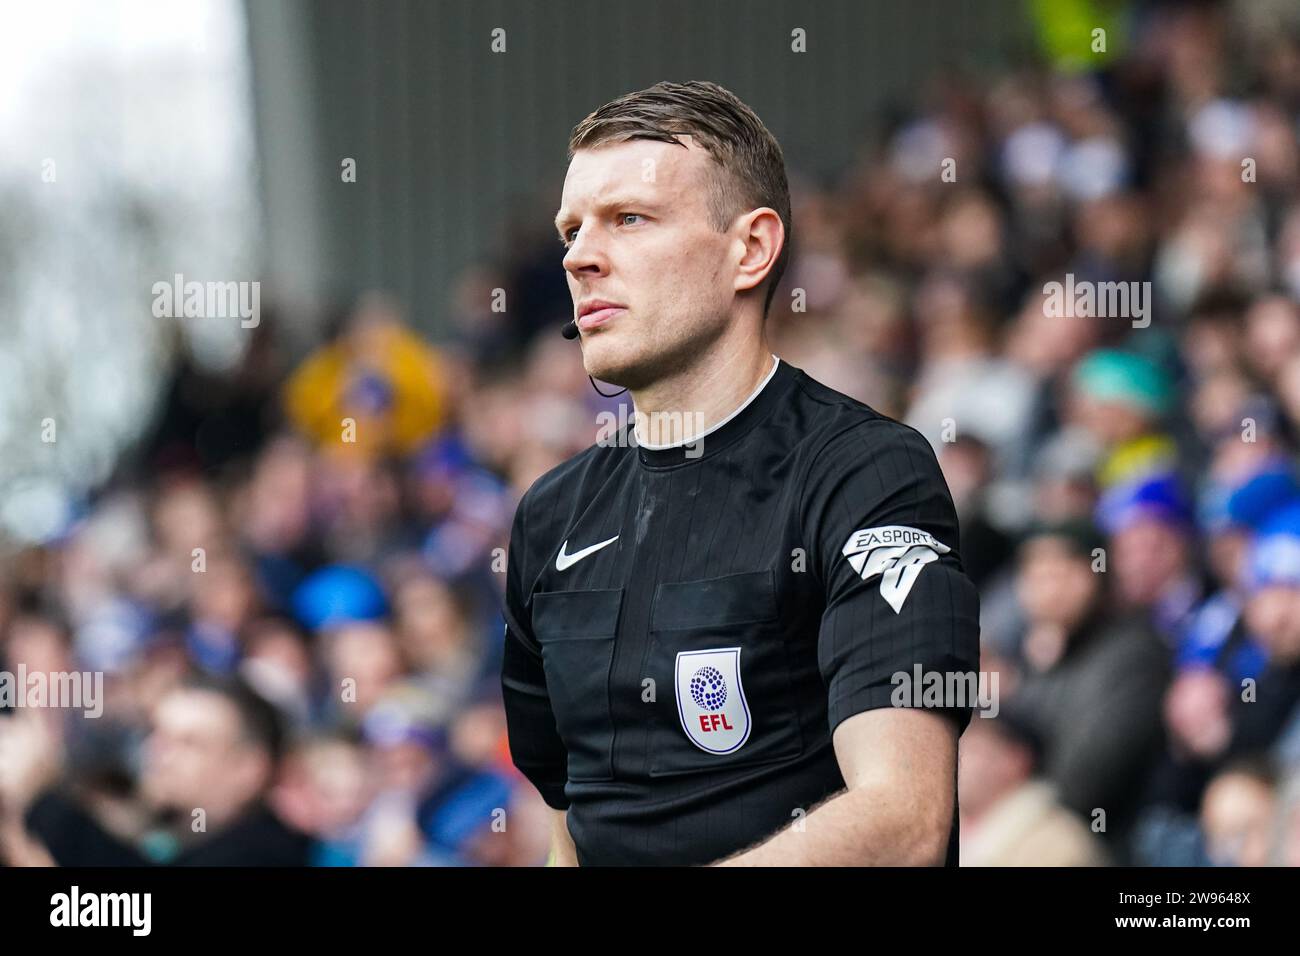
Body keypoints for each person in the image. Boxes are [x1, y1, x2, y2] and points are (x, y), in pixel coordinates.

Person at [500, 80, 980, 866]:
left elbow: (904, 822)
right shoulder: (549, 519)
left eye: (629, 219)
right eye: (571, 229)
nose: (580, 256)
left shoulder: (866, 475)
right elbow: (571, 828)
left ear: (750, 248)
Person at [0, 675, 312, 866]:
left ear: (248, 768)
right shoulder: (185, 839)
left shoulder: (267, 852)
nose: (160, 753)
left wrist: (43, 796)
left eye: (189, 743)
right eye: (158, 734)